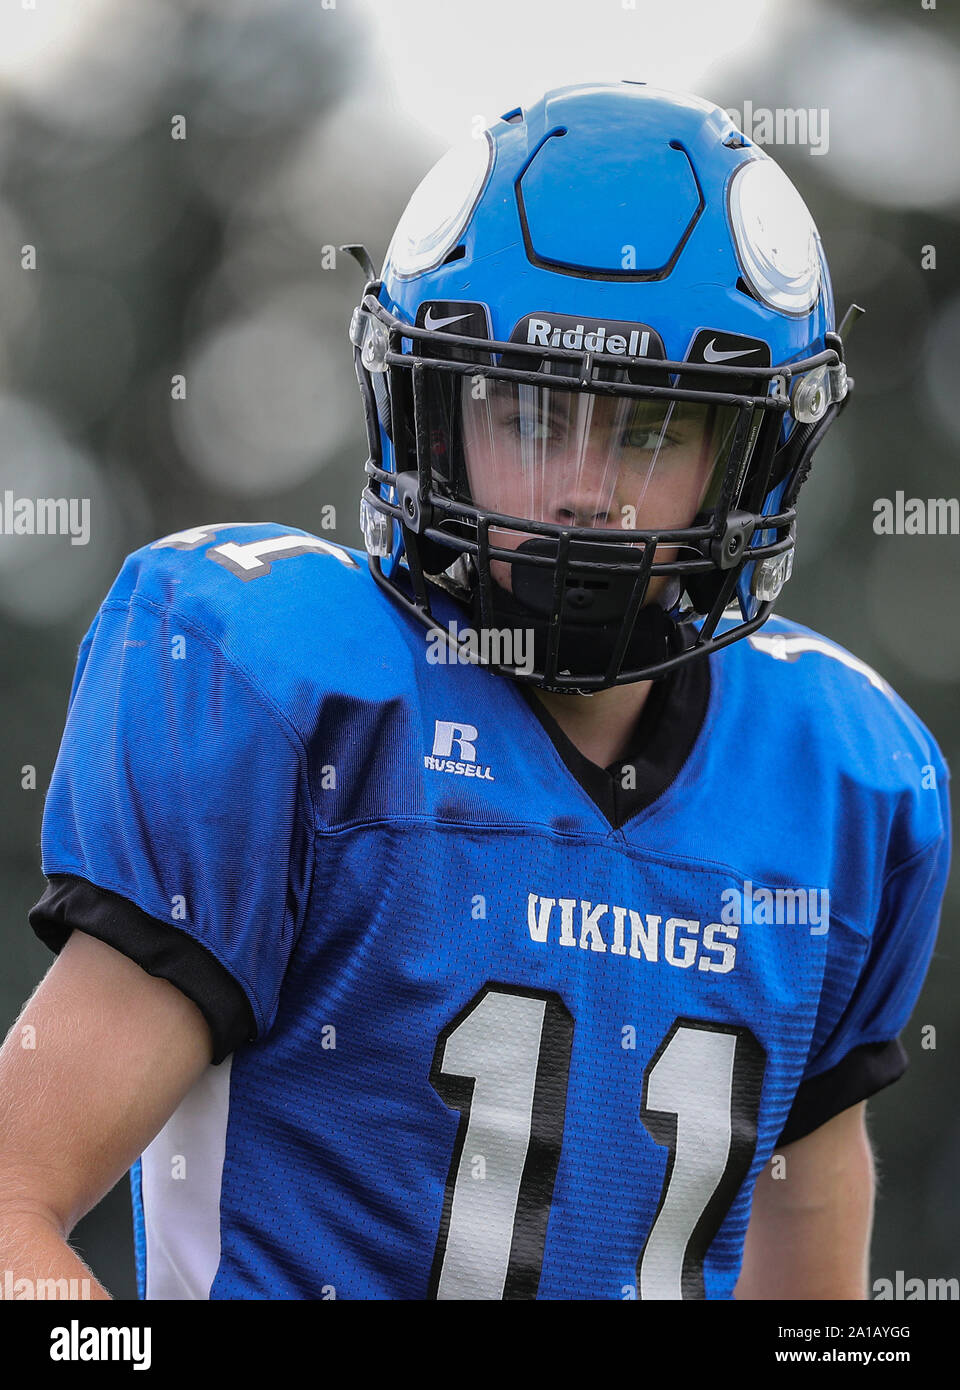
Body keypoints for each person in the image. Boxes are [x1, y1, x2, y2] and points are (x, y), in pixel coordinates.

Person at [0, 81, 950, 1301]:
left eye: (649, 430)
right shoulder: (291, 682)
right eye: (529, 409)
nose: (582, 492)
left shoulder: (842, 779)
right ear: (432, 411)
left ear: (755, 451)